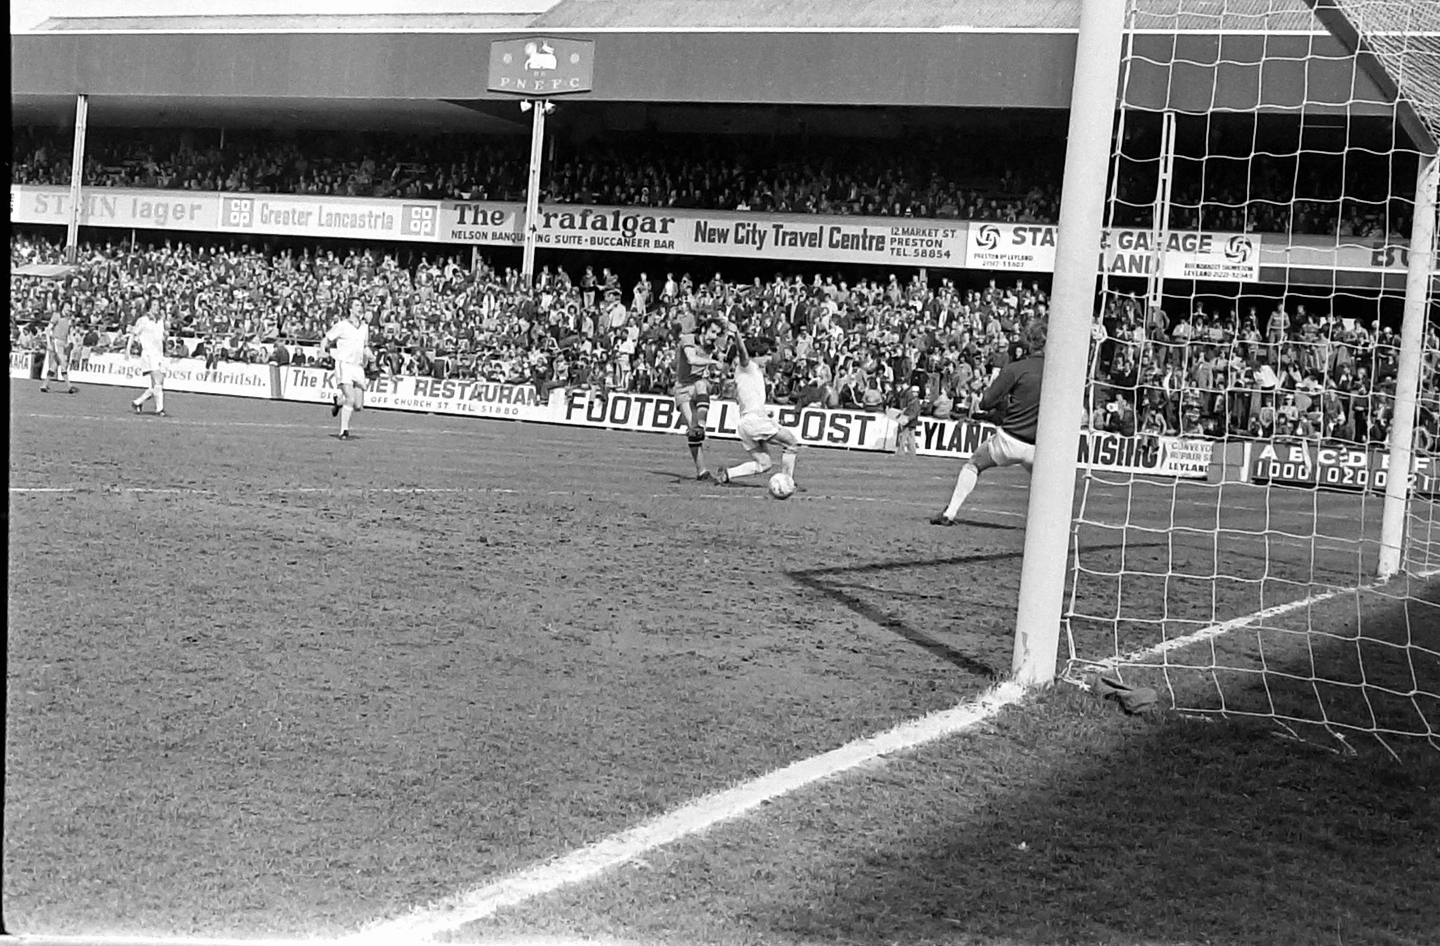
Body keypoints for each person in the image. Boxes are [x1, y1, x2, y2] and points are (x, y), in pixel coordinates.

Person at [930, 318, 1047, 526]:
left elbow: (986, 402)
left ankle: (950, 513)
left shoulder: (1016, 369)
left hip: (1010, 440)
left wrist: (980, 399)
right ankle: (1050, 526)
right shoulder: (1060, 373)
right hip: (1040, 446)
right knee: (1047, 485)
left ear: (1028, 342)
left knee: (974, 464)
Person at [713, 321, 801, 487]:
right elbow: (743, 353)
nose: (768, 359)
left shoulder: (753, 372)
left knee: (764, 464)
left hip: (747, 423)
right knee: (791, 443)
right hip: (754, 422)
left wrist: (764, 411)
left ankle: (727, 474)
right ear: (757, 354)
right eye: (766, 355)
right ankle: (788, 482)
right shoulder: (748, 366)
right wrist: (737, 334)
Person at [672, 314, 727, 480]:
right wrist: (712, 363)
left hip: (697, 384)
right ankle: (702, 472)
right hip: (682, 388)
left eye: (718, 334)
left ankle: (701, 423)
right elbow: (691, 359)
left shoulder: (712, 348)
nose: (714, 337)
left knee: (701, 384)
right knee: (693, 432)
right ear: (704, 329)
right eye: (713, 332)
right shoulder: (688, 339)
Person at [323, 299, 375, 440]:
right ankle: (344, 431)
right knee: (351, 399)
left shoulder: (364, 327)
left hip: (357, 367)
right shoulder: (342, 326)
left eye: (361, 305)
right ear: (350, 309)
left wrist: (370, 355)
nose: (360, 308)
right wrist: (323, 351)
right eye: (357, 305)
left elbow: (365, 346)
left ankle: (338, 402)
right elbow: (327, 339)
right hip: (344, 364)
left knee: (358, 405)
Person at [127, 303, 169, 416]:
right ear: (149, 307)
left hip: (159, 354)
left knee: (156, 385)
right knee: (157, 381)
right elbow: (133, 334)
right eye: (154, 305)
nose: (157, 307)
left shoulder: (160, 321)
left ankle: (138, 402)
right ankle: (160, 409)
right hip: (149, 354)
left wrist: (165, 336)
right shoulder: (143, 320)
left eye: (158, 305)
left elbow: (161, 336)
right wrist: (128, 350)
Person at [39, 304, 77, 394]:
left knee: (55, 365)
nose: (69, 310)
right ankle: (69, 386)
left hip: (63, 343)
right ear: (64, 307)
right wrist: (48, 343)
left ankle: (44, 385)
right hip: (56, 341)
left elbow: (70, 333)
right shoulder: (57, 315)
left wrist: (74, 343)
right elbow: (48, 329)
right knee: (63, 362)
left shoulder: (69, 319)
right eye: (68, 308)